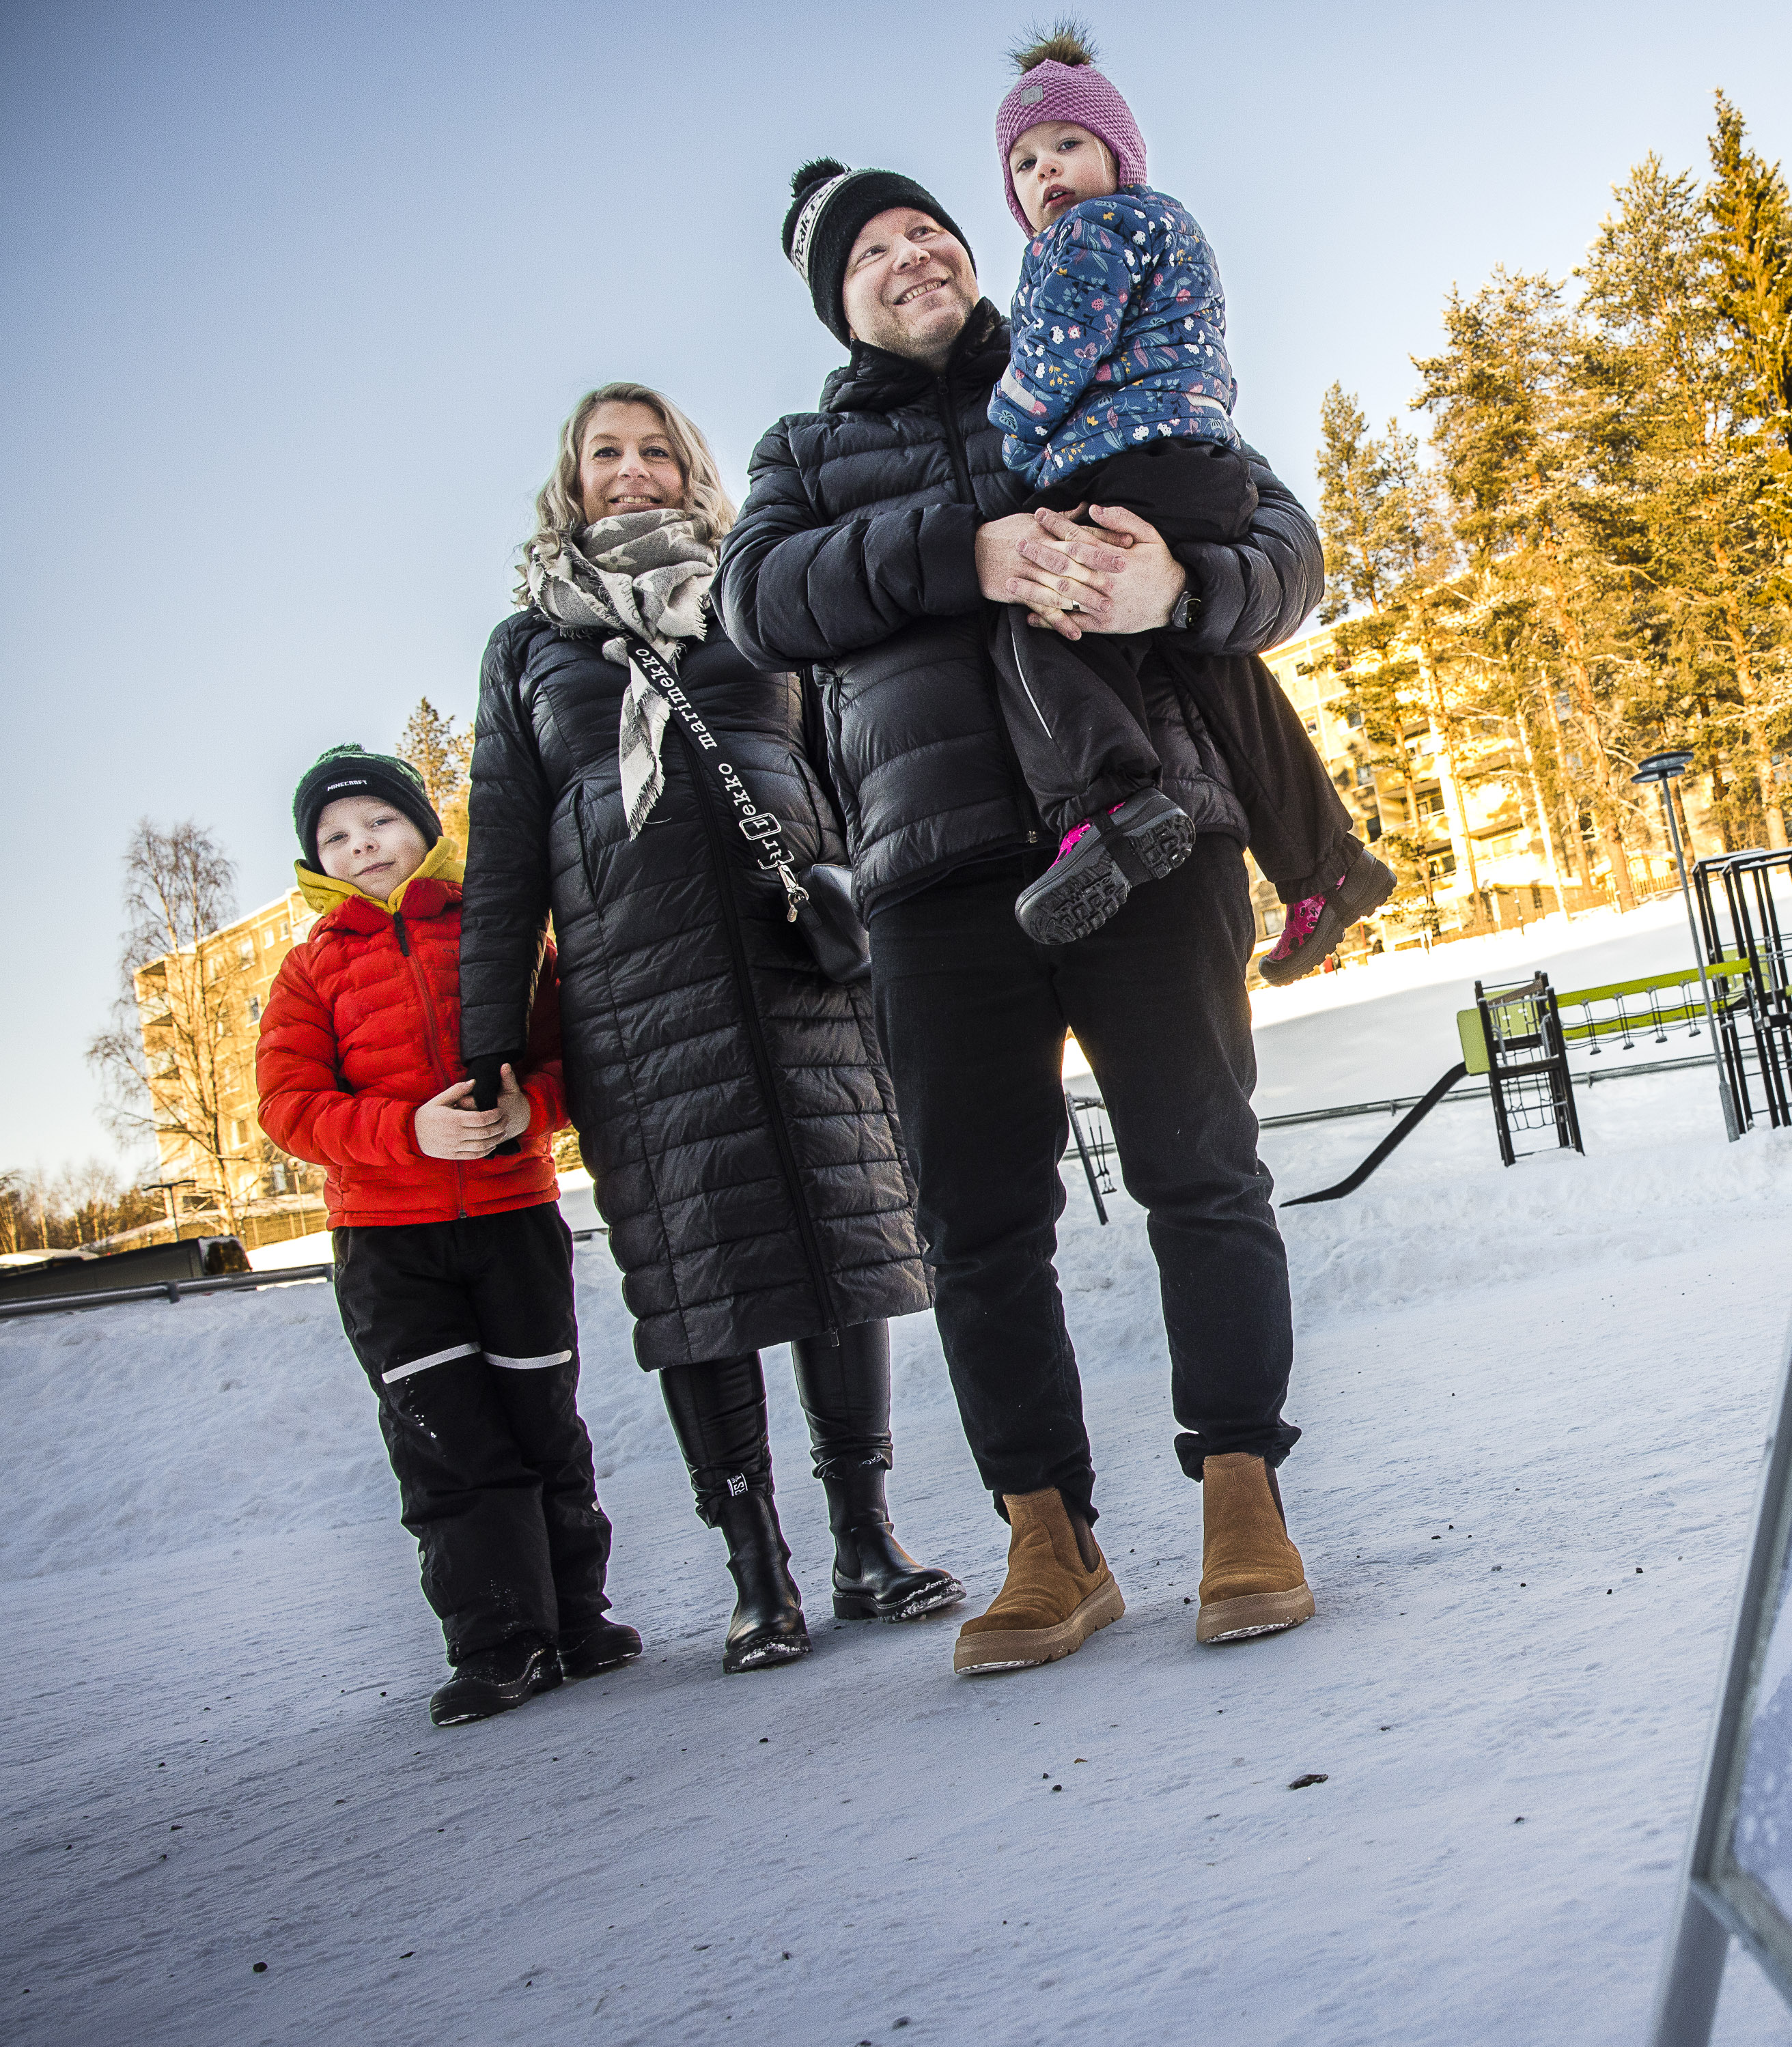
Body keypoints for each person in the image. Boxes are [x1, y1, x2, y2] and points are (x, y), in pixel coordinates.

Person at [718, 160, 1322, 1675]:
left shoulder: (1091, 344)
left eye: (929, 229)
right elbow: (760, 604)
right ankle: (1047, 1533)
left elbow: (1284, 544)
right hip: (934, 869)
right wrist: (961, 552)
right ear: (837, 302)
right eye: (871, 252)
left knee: (1203, 1161)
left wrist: (1180, 584)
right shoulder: (802, 453)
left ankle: (1243, 1487)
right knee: (978, 1223)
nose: (910, 255)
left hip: (1152, 822)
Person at [458, 383, 961, 1678]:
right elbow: (508, 856)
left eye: (657, 451)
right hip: (637, 1004)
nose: (634, 473)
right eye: (606, 455)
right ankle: (759, 1576)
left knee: (845, 1240)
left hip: (804, 970)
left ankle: (866, 1538)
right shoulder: (530, 648)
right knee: (700, 1282)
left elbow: (847, 768)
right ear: (572, 482)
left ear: (693, 471)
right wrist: (488, 1036)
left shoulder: (754, 599)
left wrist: (890, 918)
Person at [969, 27, 1386, 963]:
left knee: (1050, 614)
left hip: (1132, 462)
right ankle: (1325, 863)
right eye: (1025, 164)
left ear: (1121, 154)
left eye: (1068, 146)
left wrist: (1017, 425)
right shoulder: (1159, 228)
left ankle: (1110, 804)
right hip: (1195, 465)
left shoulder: (1088, 234)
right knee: (1218, 661)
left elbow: (1053, 359)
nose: (1047, 175)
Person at [258, 746, 635, 1727]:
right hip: (389, 1242)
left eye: (377, 821)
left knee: (539, 1417)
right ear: (317, 863)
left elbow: (567, 1055)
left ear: (423, 828)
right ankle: (500, 1640)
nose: (361, 845)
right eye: (335, 837)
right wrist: (407, 1130)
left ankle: (578, 1618)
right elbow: (290, 1107)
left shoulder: (495, 932)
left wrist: (529, 1113)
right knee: (448, 1438)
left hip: (512, 1216)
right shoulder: (310, 971)